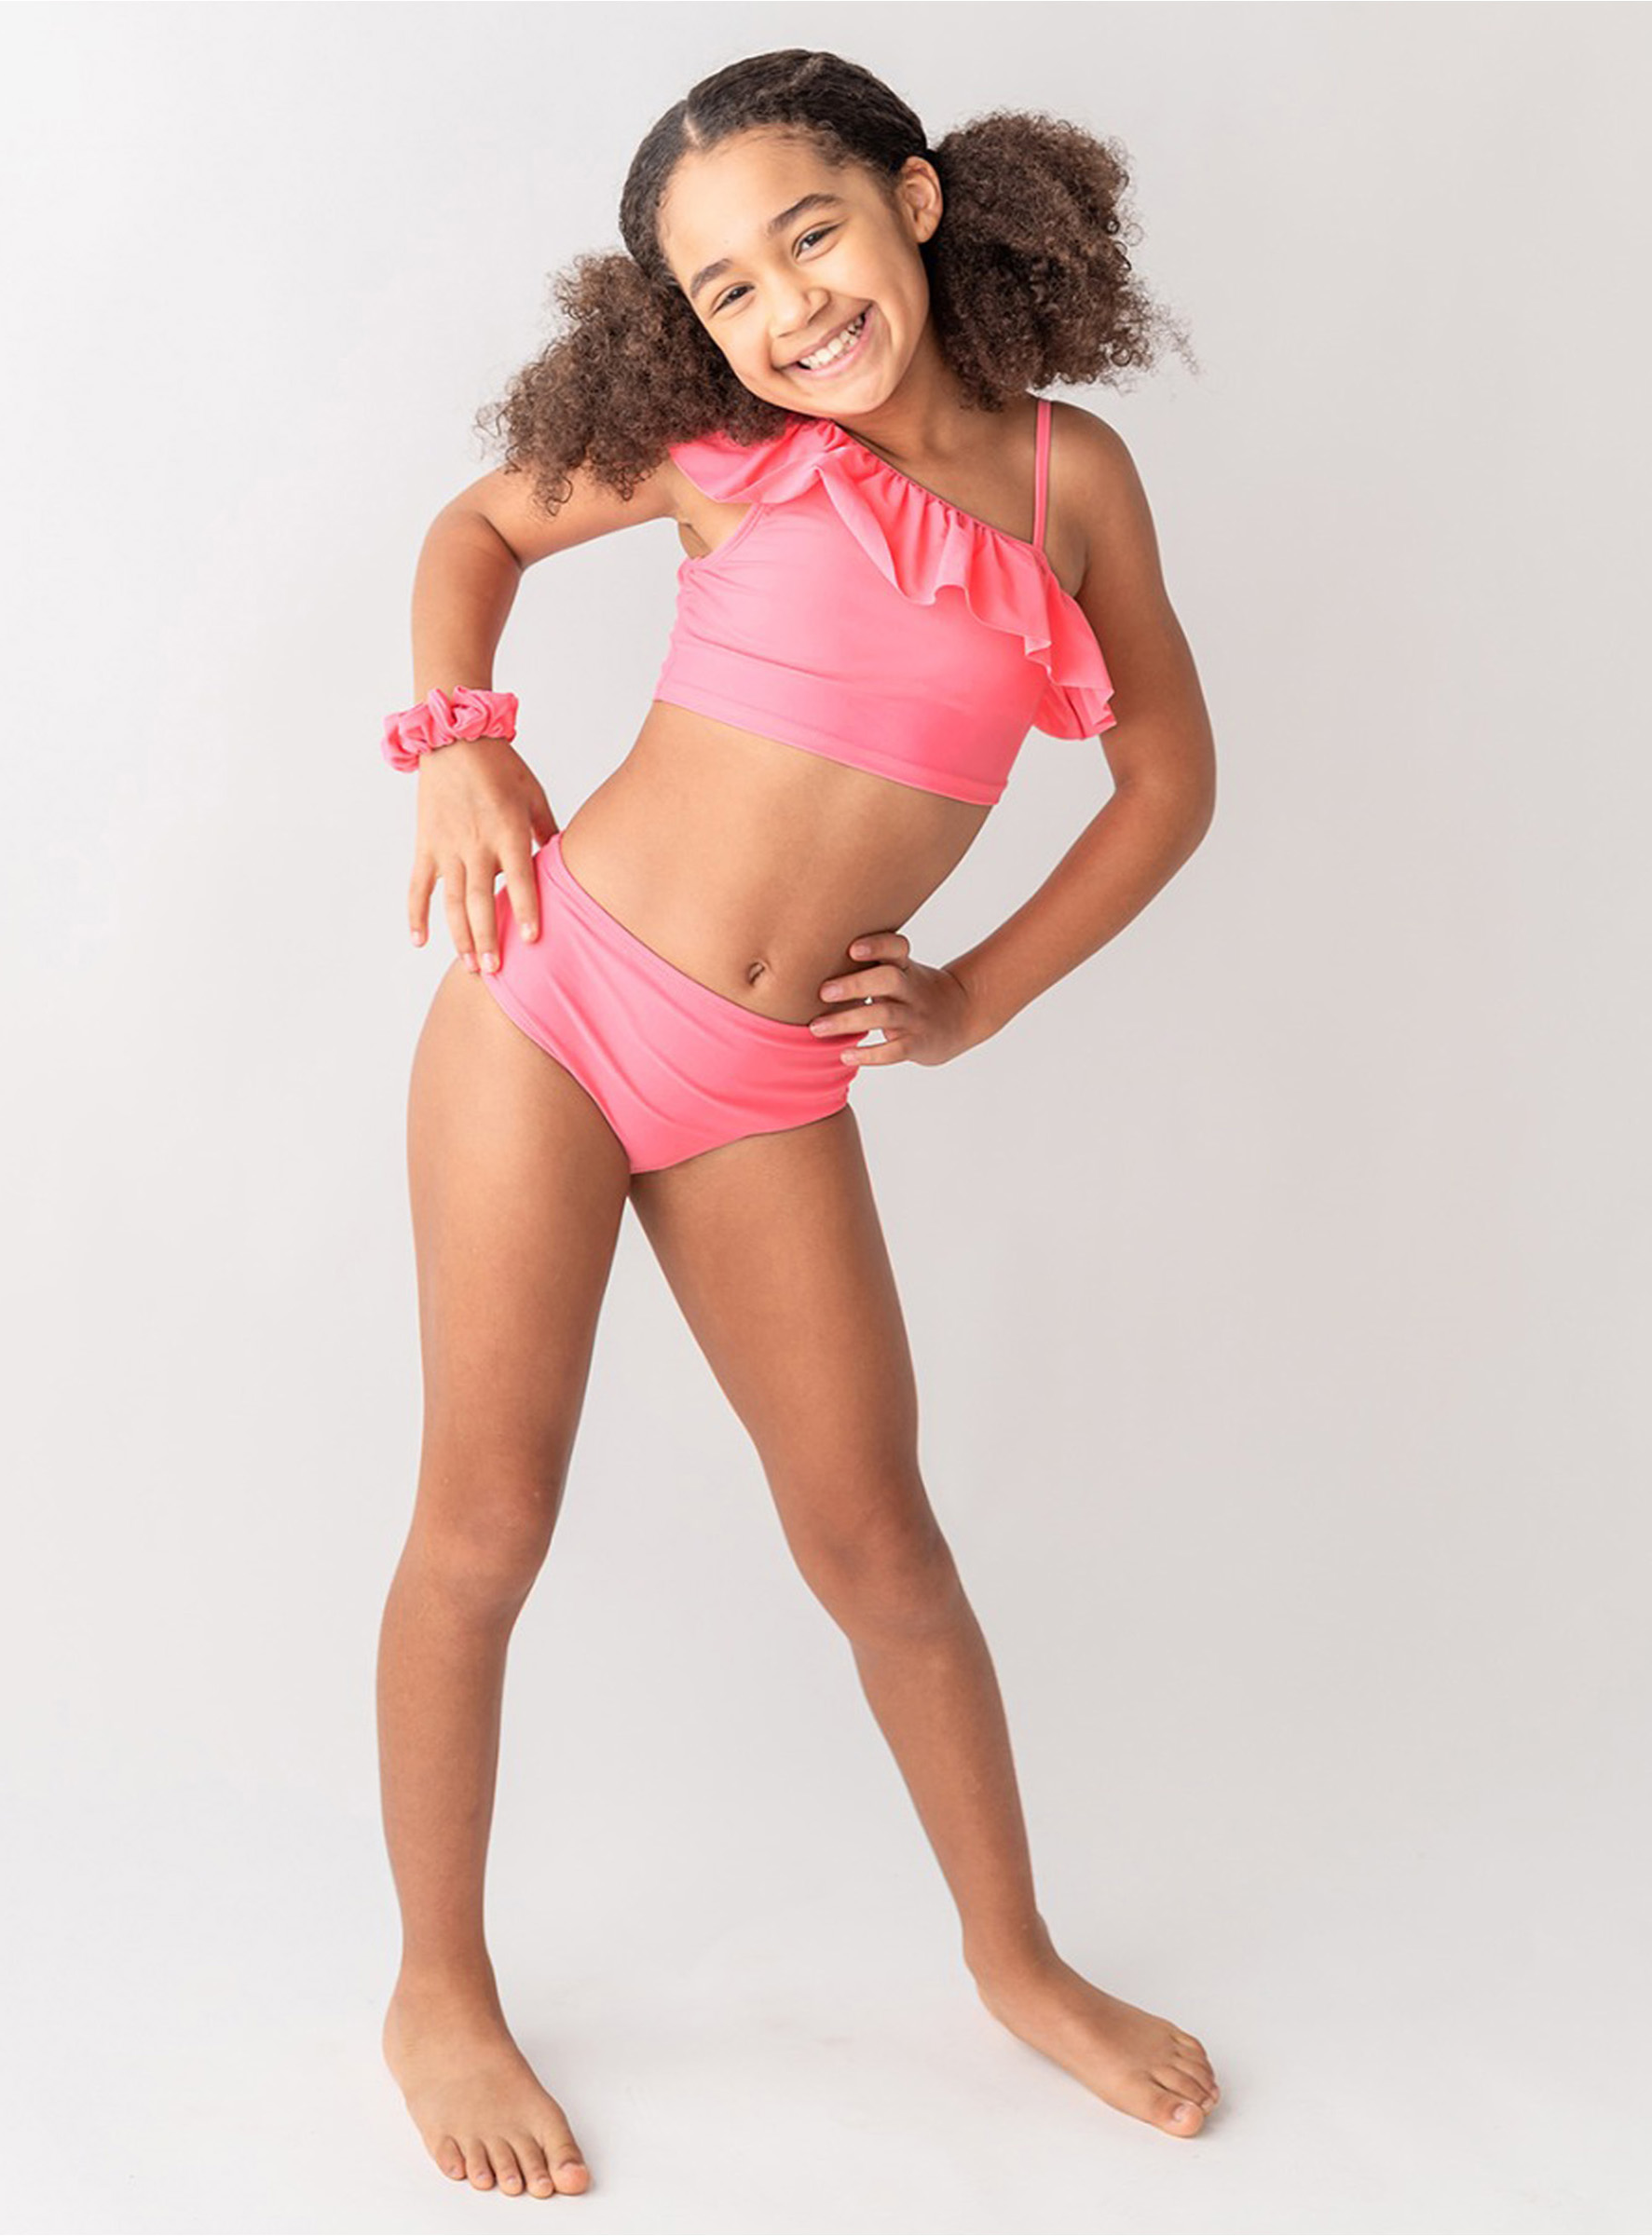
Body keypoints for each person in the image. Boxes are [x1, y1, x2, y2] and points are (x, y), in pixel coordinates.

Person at [376, 47, 1219, 2199]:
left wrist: (976, 994)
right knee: (487, 1523)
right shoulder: (729, 450)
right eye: (727, 287)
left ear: (918, 202)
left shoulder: (1073, 483)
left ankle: (1016, 1960)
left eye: (812, 234)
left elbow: (1165, 781)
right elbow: (480, 526)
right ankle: (439, 1984)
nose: (786, 307)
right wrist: (459, 741)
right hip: (552, 1008)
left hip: (765, 1081)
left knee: (879, 1546)